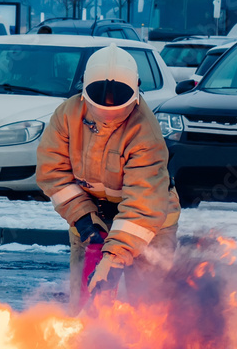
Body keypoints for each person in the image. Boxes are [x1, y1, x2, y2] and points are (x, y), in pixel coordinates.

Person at [36, 43, 180, 309]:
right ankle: (85, 345)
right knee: (87, 303)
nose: (110, 111)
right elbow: (53, 173)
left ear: (136, 91)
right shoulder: (67, 115)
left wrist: (112, 259)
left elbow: (142, 206)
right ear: (84, 92)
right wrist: (84, 221)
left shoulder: (145, 133)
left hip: (149, 223)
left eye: (119, 106)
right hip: (91, 214)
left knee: (150, 310)